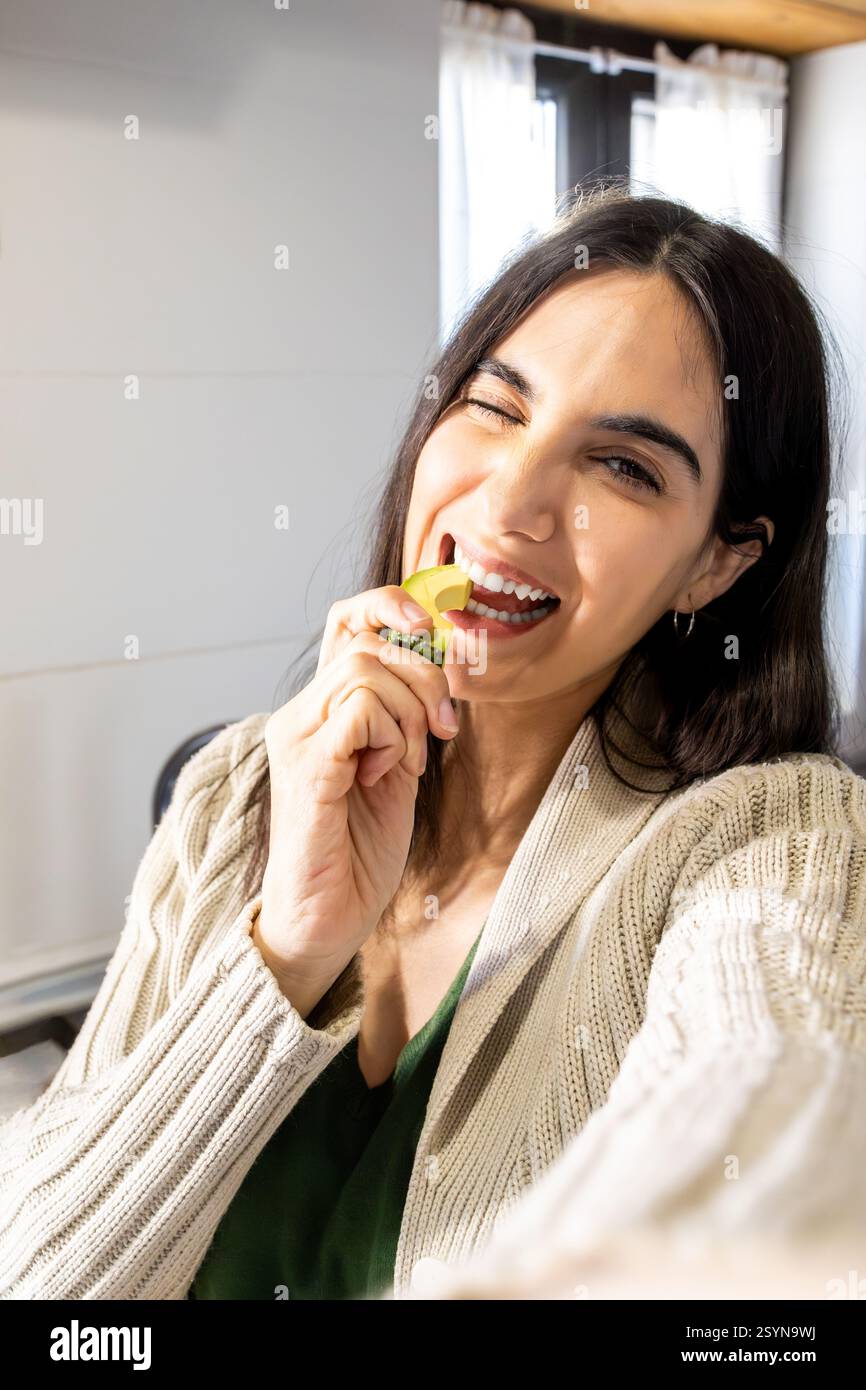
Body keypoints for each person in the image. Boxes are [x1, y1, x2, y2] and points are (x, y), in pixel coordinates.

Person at [2, 184, 865, 1301]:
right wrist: (286, 949)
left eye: (623, 468)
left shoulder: (768, 839)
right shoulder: (232, 793)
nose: (511, 503)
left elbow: (776, 1131)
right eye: (496, 408)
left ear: (716, 562)